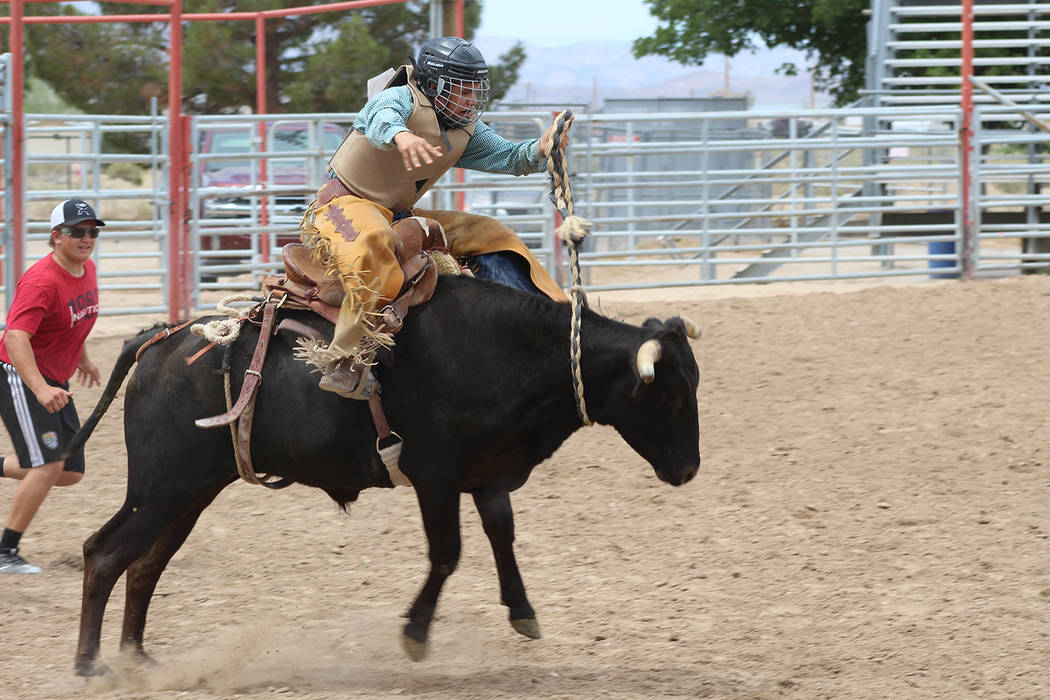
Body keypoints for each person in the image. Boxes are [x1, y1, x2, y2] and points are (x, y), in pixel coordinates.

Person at [300, 35, 570, 399]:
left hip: (396, 214)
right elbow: (380, 117)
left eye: (476, 90)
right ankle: (346, 358)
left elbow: (508, 156)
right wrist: (401, 136)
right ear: (434, 84)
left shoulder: (462, 129)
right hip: (343, 205)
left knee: (491, 233)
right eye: (463, 89)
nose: (472, 99)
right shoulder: (399, 98)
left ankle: (551, 320)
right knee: (371, 246)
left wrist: (539, 148)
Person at [0, 199, 102, 574]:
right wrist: (40, 388)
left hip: (55, 378)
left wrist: (83, 358)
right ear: (56, 237)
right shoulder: (42, 280)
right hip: (21, 376)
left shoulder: (86, 269)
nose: (86, 238)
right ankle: (6, 552)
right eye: (77, 231)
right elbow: (15, 338)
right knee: (47, 463)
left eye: (92, 231)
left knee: (70, 471)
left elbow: (76, 319)